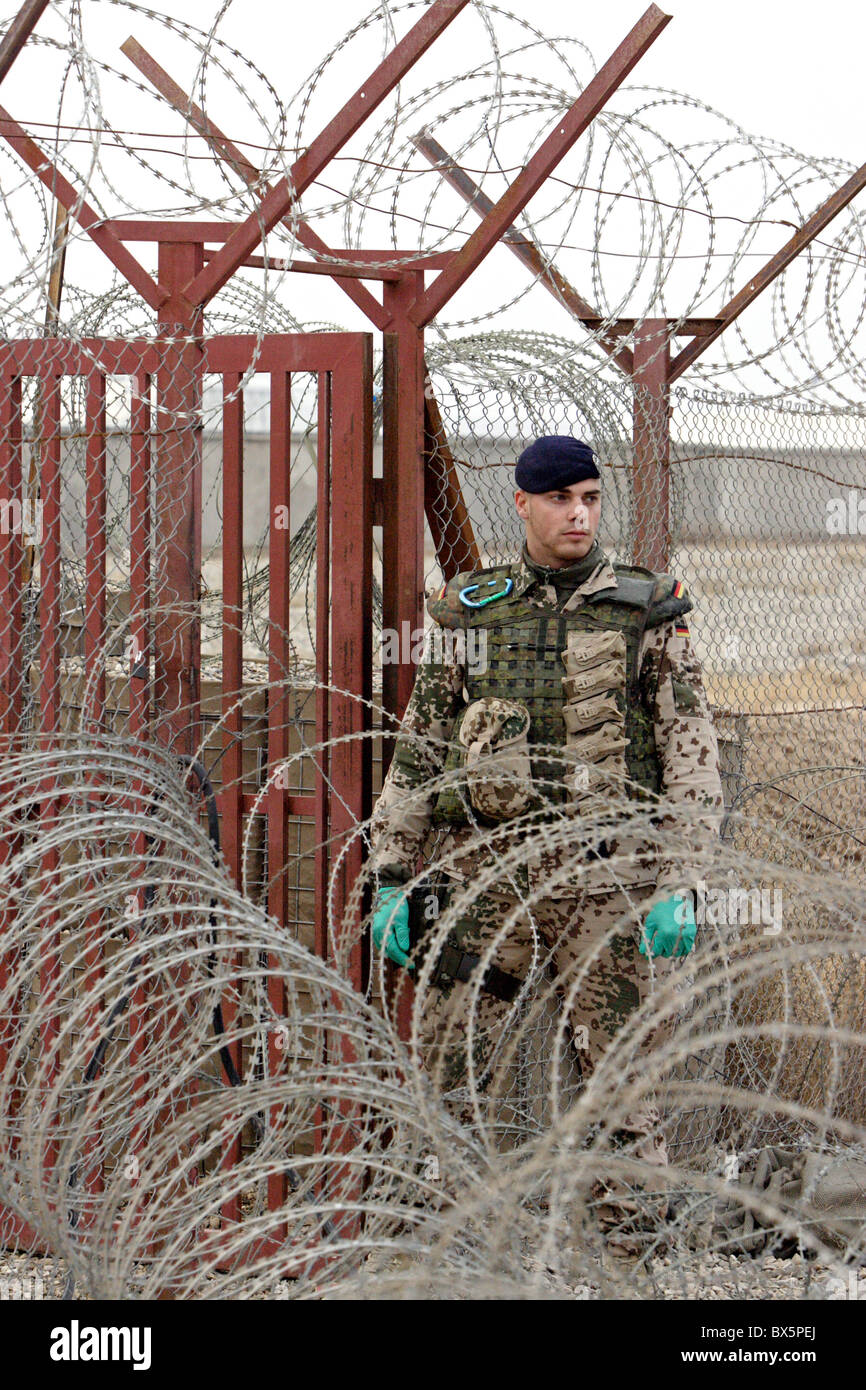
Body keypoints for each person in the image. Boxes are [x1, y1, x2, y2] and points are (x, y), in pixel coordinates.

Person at [369, 434, 724, 1253]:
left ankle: (630, 1258)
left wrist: (684, 877)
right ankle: (446, 1254)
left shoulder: (647, 608)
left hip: (607, 883)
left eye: (591, 498)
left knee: (621, 1089)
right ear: (523, 504)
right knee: (453, 1068)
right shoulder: (472, 609)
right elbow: (421, 749)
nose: (579, 514)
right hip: (490, 878)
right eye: (561, 498)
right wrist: (391, 871)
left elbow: (689, 754)